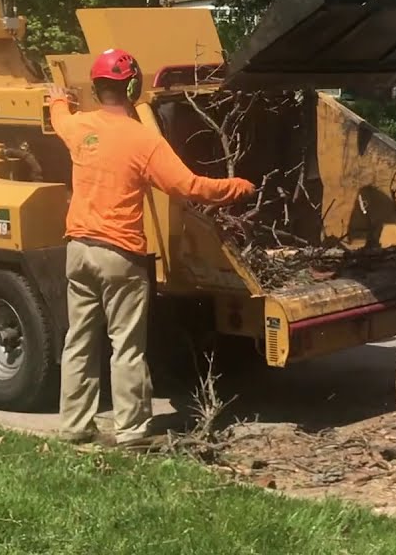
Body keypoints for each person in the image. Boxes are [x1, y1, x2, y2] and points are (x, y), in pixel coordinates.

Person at [46, 48, 255, 448]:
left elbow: (59, 119)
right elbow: (189, 187)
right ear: (133, 88)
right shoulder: (144, 141)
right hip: (119, 255)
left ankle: (74, 426)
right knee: (126, 346)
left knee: (79, 341)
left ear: (96, 88)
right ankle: (130, 431)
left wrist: (58, 99)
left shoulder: (79, 127)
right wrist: (237, 188)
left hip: (78, 250)